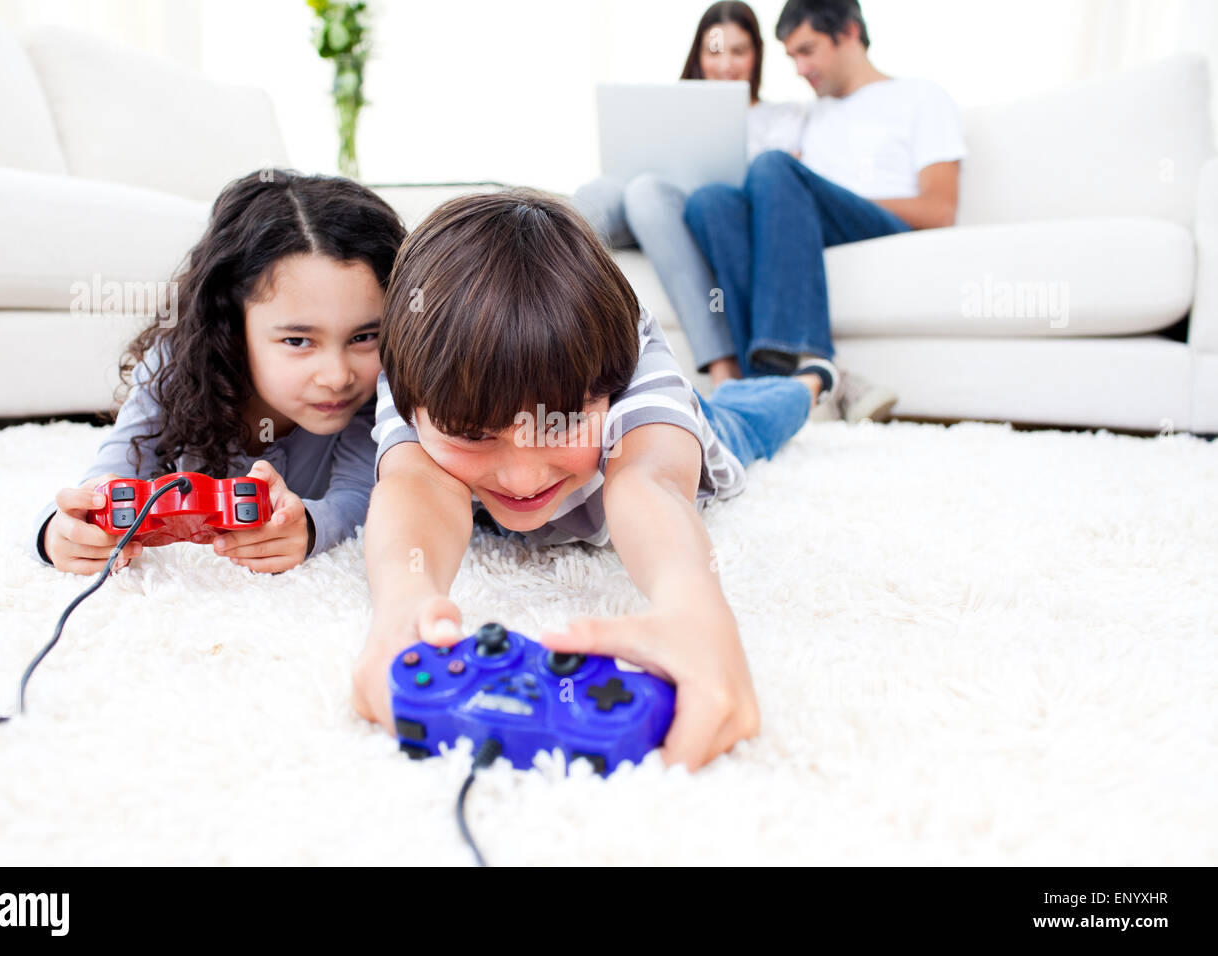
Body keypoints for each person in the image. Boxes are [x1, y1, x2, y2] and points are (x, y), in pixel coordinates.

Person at [349, 188, 840, 772]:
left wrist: (695, 609)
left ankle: (815, 381)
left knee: (757, 415)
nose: (524, 476)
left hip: (698, 435)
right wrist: (403, 602)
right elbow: (414, 487)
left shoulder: (627, 357)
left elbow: (647, 482)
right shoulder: (422, 363)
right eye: (473, 435)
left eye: (558, 426)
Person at [30, 170, 405, 575]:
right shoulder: (174, 366)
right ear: (231, 323)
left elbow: (359, 497)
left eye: (364, 336)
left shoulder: (377, 390)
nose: (336, 376)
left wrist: (310, 528)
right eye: (298, 341)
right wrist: (57, 531)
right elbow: (107, 479)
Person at [684, 0, 967, 420]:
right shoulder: (809, 115)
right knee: (710, 202)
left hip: (879, 224)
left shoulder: (919, 96)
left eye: (807, 50)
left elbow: (939, 209)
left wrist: (821, 194)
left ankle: (804, 360)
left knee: (774, 166)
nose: (800, 68)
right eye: (791, 56)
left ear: (850, 33)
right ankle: (767, 381)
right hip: (810, 223)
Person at [573, 2, 805, 390]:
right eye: (714, 51)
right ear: (698, 55)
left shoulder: (780, 118)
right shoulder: (668, 108)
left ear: (757, 56)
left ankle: (723, 364)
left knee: (646, 193)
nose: (726, 64)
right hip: (639, 209)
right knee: (594, 194)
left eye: (739, 51)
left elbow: (778, 199)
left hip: (695, 215)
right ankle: (530, 320)